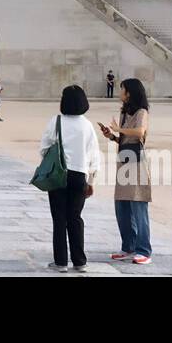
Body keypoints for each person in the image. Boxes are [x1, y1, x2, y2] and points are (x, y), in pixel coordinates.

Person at [40, 85, 101, 272]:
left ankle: (60, 262)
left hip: (59, 174)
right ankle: (80, 261)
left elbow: (44, 149)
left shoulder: (55, 121)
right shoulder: (87, 125)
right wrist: (91, 181)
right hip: (79, 175)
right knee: (75, 217)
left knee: (59, 218)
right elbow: (94, 156)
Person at [98, 78, 152, 264]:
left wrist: (119, 129)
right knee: (122, 206)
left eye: (122, 89)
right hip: (124, 159)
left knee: (138, 205)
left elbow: (139, 132)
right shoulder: (124, 112)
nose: (120, 93)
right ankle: (128, 246)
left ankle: (144, 250)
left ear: (130, 93)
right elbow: (123, 139)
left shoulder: (141, 112)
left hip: (137, 163)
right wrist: (112, 135)